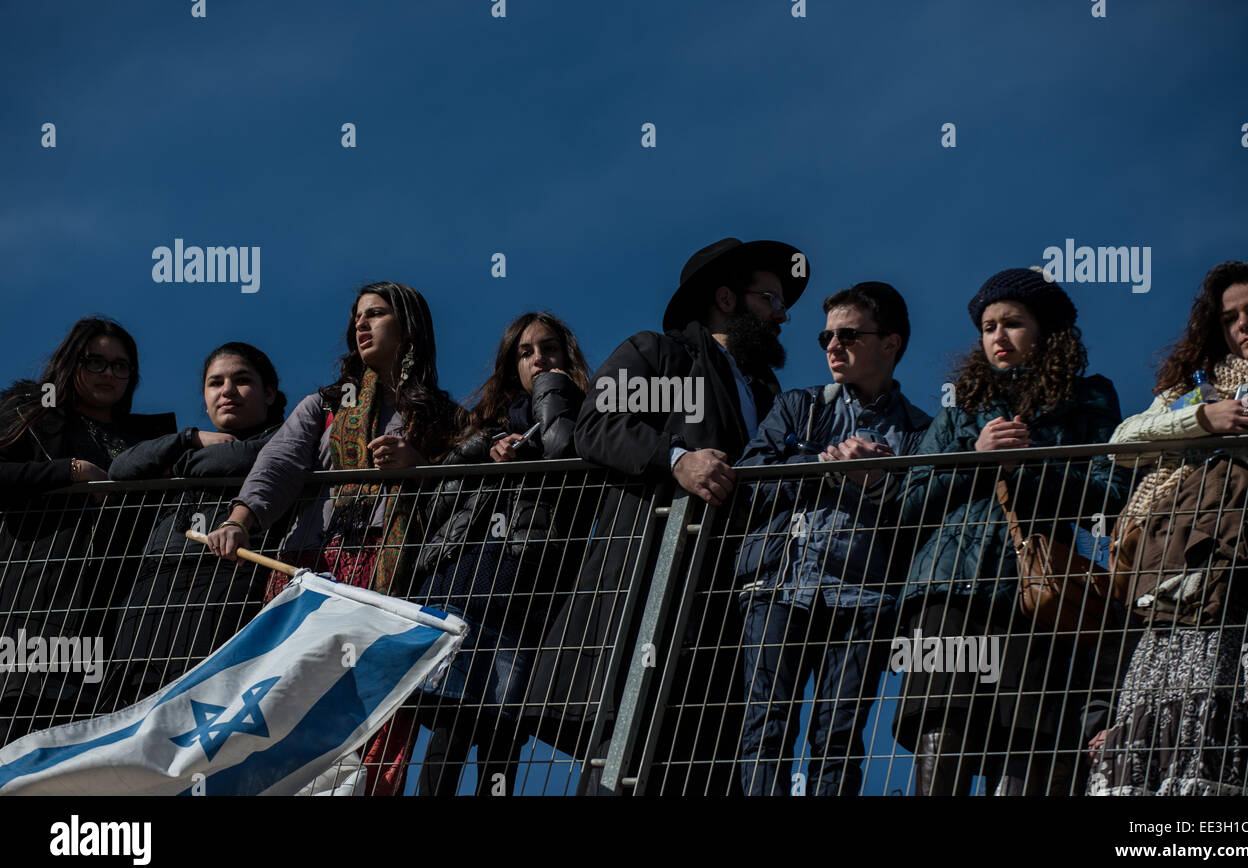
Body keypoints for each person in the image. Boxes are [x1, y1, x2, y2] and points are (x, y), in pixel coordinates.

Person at [526, 237, 809, 793]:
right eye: (770, 299)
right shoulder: (664, 355)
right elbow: (595, 426)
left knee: (698, 760)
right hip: (649, 587)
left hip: (724, 602)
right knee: (623, 751)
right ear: (726, 298)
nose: (782, 315)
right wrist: (676, 461)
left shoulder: (766, 390)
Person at [206, 281, 463, 794]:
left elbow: (462, 493)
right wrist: (240, 519)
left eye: (376, 314)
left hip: (399, 584)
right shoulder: (324, 405)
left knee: (374, 710)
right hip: (314, 571)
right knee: (285, 702)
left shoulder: (446, 418)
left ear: (409, 326)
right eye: (357, 317)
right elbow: (277, 465)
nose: (360, 325)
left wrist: (417, 467)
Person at [892, 267, 1127, 796]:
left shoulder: (1089, 399)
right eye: (988, 326)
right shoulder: (962, 406)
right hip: (950, 583)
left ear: (1045, 331)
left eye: (1013, 323)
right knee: (941, 715)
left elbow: (1112, 490)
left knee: (1030, 728)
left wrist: (1030, 466)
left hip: (1039, 590)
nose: (998, 336)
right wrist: (977, 458)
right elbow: (908, 501)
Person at [1089, 261, 1248, 796]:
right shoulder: (1199, 390)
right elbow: (1122, 443)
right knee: (1179, 734)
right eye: (1230, 318)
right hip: (1194, 586)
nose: (1244, 326)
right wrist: (1204, 422)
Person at [732, 282, 931, 795]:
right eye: (826, 335)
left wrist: (880, 484)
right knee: (764, 728)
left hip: (864, 599)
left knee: (838, 738)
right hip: (778, 588)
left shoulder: (919, 431)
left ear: (891, 343)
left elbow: (922, 515)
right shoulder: (799, 406)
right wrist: (821, 464)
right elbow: (748, 478)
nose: (831, 347)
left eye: (847, 335)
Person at [414, 311, 593, 795]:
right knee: (449, 732)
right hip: (461, 589)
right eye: (526, 352)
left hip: (524, 600)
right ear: (509, 364)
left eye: (549, 349)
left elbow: (564, 454)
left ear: (567, 356)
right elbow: (435, 504)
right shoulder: (481, 428)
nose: (539, 359)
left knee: (501, 739)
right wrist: (484, 450)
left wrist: (552, 393)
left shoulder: (586, 417)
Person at [0, 317, 175, 742]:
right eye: (95, 362)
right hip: (39, 590)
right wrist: (70, 471)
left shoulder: (147, 436)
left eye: (121, 366)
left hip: (121, 597)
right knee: (27, 724)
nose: (109, 374)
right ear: (70, 362)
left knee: (100, 732)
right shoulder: (30, 410)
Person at [98, 342, 286, 712]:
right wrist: (187, 439)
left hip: (224, 581)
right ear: (204, 399)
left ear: (269, 392)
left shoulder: (283, 440)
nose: (227, 391)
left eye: (242, 380)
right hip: (154, 585)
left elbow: (240, 459)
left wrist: (181, 462)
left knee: (200, 700)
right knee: (134, 700)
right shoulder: (191, 444)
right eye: (215, 383)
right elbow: (121, 469)